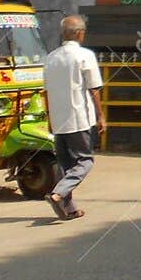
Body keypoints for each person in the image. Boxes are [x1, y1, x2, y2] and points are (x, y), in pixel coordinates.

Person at [42, 14, 105, 221]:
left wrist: (50, 119)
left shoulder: (51, 58)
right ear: (80, 33)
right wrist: (101, 115)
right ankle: (58, 193)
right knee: (85, 161)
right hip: (78, 118)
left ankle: (68, 208)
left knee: (65, 166)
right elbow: (94, 89)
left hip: (59, 120)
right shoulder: (84, 55)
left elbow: (46, 92)